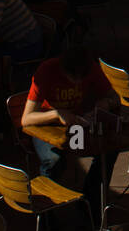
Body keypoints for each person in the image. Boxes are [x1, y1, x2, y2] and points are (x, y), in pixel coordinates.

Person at [21, 45, 121, 208]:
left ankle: (90, 200)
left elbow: (114, 98)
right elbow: (26, 119)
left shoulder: (91, 69)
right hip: (46, 126)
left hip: (76, 126)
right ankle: (47, 208)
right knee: (54, 159)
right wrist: (56, 114)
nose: (78, 81)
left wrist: (105, 103)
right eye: (72, 77)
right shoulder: (46, 71)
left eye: (82, 77)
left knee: (108, 151)